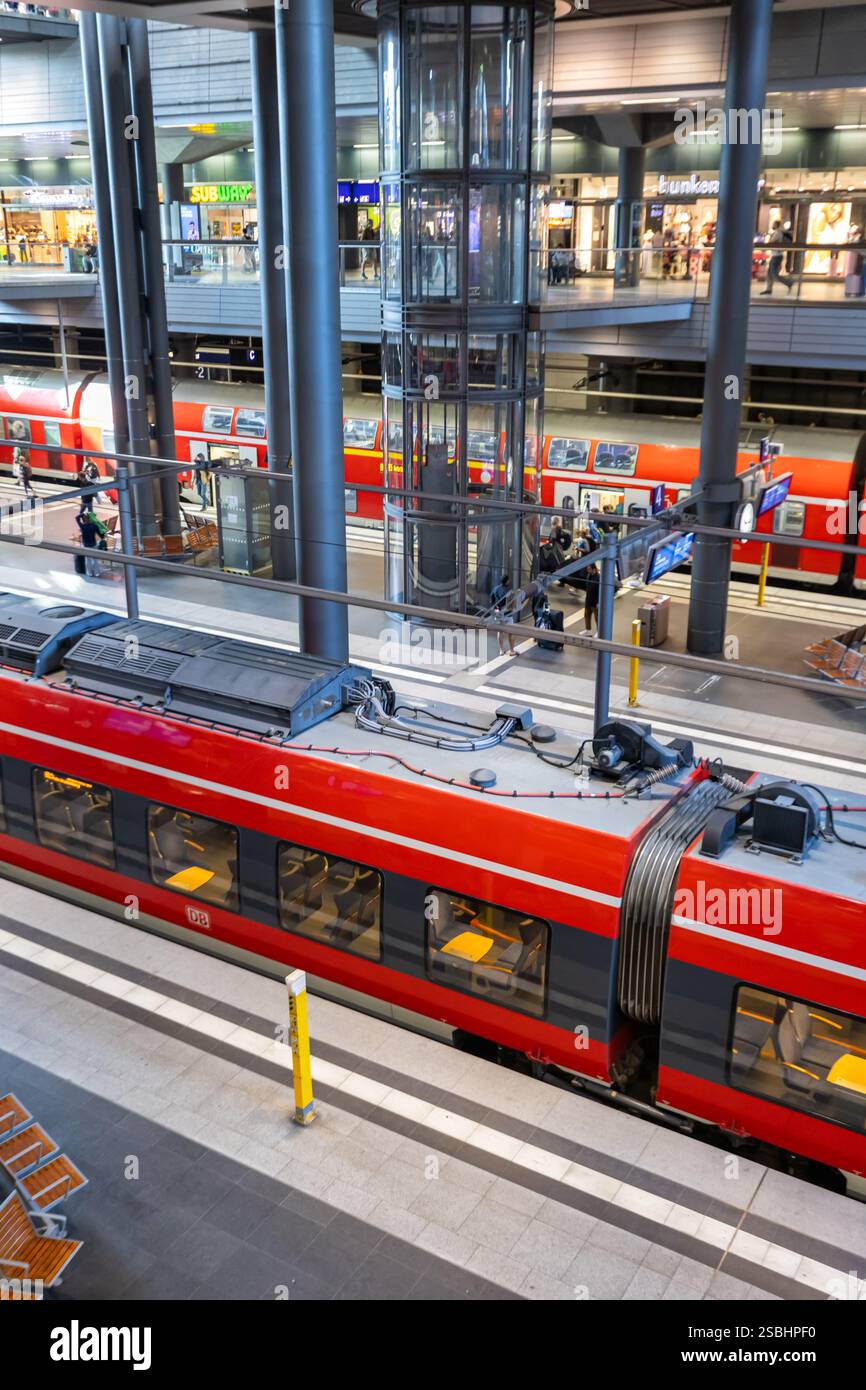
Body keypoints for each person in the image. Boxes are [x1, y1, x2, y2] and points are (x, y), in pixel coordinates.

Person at [761, 221, 795, 296]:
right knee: (769, 273)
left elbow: (772, 242)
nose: (772, 225)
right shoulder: (778, 232)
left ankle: (789, 283)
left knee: (774, 274)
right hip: (776, 255)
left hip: (777, 256)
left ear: (777, 225)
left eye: (773, 224)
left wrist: (768, 239)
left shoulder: (777, 232)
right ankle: (768, 289)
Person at [75, 502, 106, 578]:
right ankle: (97, 573)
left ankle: (89, 573)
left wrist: (82, 513)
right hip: (93, 544)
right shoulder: (94, 526)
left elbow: (76, 518)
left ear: (84, 520)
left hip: (86, 545)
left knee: (88, 560)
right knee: (95, 559)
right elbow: (101, 535)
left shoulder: (82, 526)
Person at [490, 572, 517, 656]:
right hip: (508, 614)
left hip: (498, 614)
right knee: (511, 632)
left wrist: (496, 609)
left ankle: (501, 651)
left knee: (500, 632)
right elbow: (512, 604)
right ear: (507, 581)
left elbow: (491, 601)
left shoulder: (495, 589)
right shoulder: (509, 591)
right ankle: (512, 651)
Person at [583, 562, 600, 633]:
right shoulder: (588, 576)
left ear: (594, 569)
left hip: (595, 601)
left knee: (597, 618)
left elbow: (599, 591)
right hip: (588, 600)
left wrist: (598, 602)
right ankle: (588, 630)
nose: (587, 570)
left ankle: (599, 632)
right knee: (587, 615)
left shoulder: (598, 578)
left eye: (589, 569)